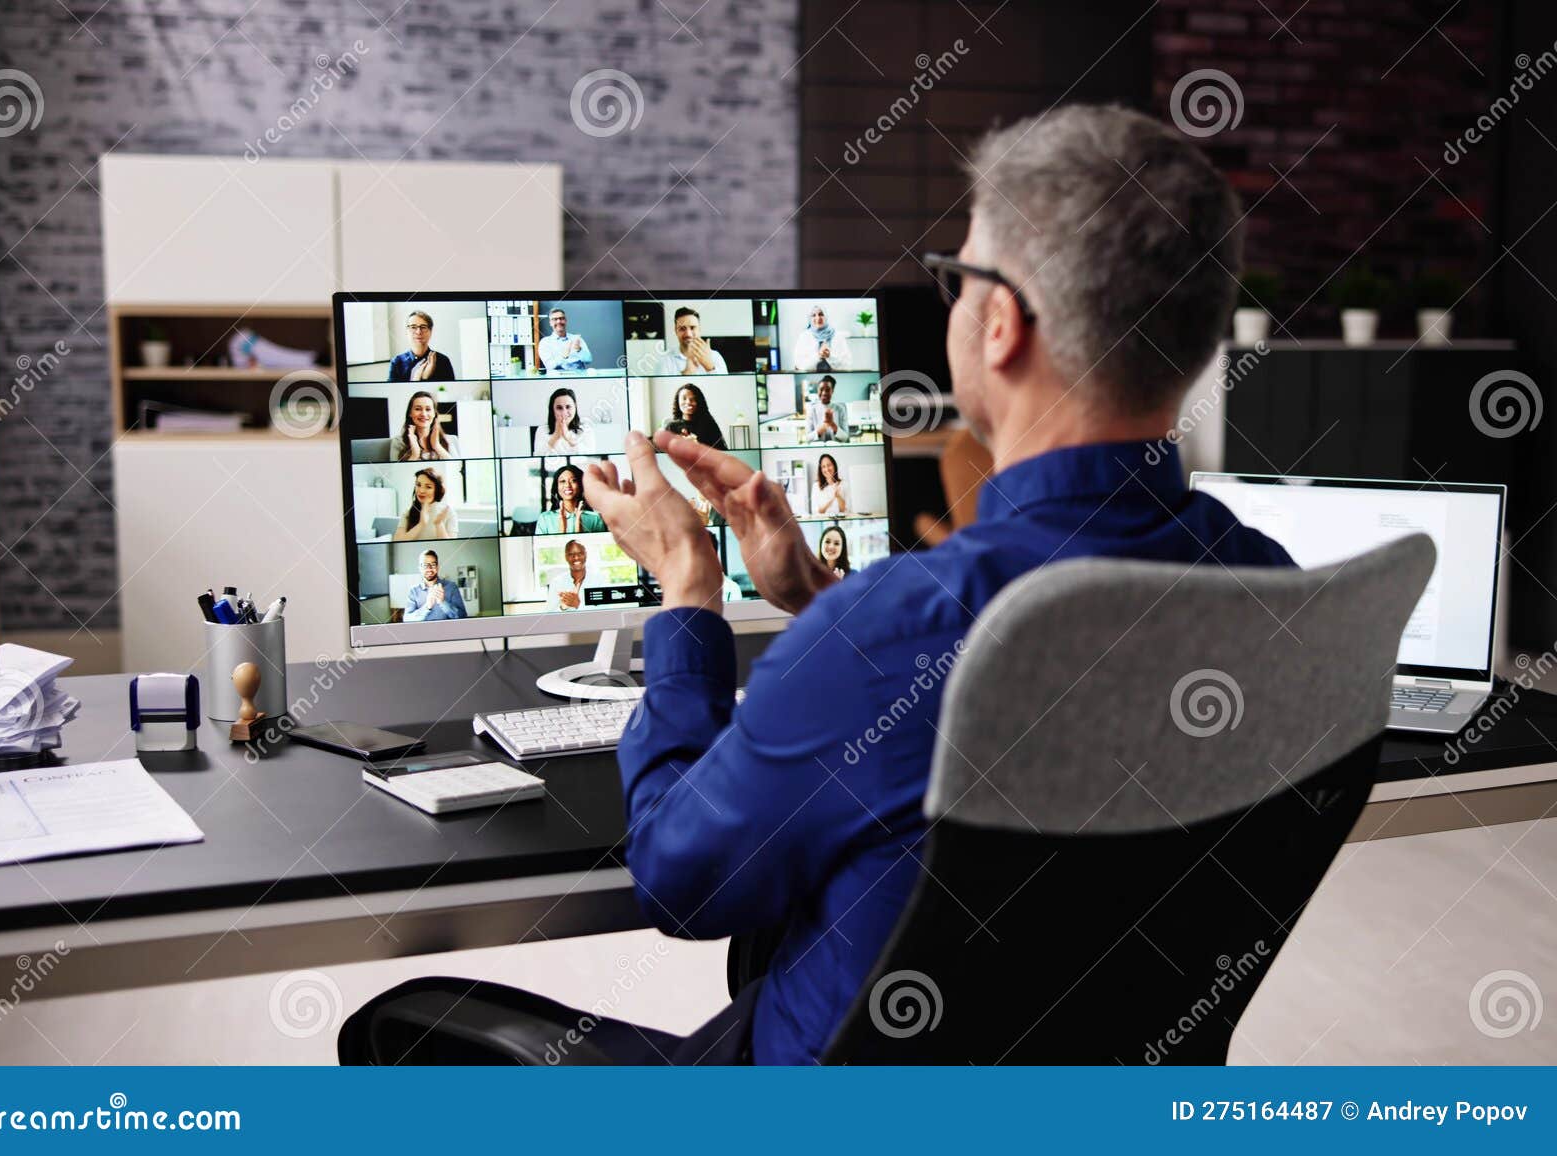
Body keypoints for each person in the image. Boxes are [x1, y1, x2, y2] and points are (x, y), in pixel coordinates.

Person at [350, 105, 1295, 1066]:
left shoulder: (901, 631)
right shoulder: (1272, 596)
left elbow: (683, 883)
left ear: (999, 324)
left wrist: (687, 585)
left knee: (397, 1025)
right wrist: (820, 599)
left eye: (959, 277)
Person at [536, 465, 606, 534]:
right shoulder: (545, 518)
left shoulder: (595, 518)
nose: (567, 485)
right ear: (556, 487)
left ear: (581, 486)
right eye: (562, 481)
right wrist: (562, 531)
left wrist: (579, 527)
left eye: (573, 480)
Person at [391, 468, 458, 541]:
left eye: (428, 487)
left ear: (437, 490)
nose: (421, 490)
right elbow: (397, 541)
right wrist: (421, 524)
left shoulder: (448, 512)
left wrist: (439, 524)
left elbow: (450, 546)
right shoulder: (408, 511)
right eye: (418, 485)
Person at [388, 311, 456, 382]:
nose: (418, 332)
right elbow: (393, 392)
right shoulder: (397, 362)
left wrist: (426, 378)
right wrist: (419, 378)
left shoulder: (443, 361)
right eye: (413, 327)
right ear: (407, 331)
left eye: (423, 327)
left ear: (430, 331)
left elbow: (448, 390)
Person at [657, 307, 728, 375]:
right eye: (682, 328)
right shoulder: (664, 360)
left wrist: (710, 367)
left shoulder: (715, 356)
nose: (688, 334)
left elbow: (725, 386)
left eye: (692, 327)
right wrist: (686, 375)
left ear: (699, 330)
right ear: (676, 331)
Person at [389, 390, 458, 460]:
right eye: (418, 409)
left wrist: (437, 446)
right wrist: (415, 454)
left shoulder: (449, 440)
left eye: (428, 409)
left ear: (434, 414)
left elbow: (457, 468)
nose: (423, 414)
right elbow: (396, 470)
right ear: (410, 413)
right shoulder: (398, 442)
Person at [402, 550, 467, 621]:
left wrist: (443, 602)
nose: (429, 569)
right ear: (420, 568)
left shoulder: (451, 586)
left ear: (437, 567)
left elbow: (463, 616)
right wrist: (427, 607)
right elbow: (407, 619)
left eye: (433, 564)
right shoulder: (413, 591)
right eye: (425, 565)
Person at [660, 382, 727, 450]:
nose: (688, 402)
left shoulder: (709, 425)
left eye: (693, 399)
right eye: (684, 398)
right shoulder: (671, 427)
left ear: (699, 402)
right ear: (677, 401)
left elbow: (720, 451)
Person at [791, 304, 853, 372]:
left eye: (821, 314)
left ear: (826, 316)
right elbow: (800, 365)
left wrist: (830, 356)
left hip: (836, 377)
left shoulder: (837, 336)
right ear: (809, 318)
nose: (818, 318)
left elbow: (847, 365)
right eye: (813, 315)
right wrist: (818, 356)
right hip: (810, 379)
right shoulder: (804, 337)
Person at [538, 387, 595, 455]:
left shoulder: (586, 429)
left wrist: (569, 438)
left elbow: (591, 457)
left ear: (575, 407)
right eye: (559, 408)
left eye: (568, 407)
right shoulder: (542, 430)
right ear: (552, 410)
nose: (564, 412)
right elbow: (536, 459)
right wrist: (555, 437)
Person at [538, 308, 593, 373]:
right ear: (550, 323)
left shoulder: (576, 339)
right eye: (555, 319)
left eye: (561, 318)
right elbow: (549, 366)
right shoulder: (545, 342)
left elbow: (589, 360)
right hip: (558, 380)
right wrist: (563, 356)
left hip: (579, 378)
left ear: (566, 320)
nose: (559, 321)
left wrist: (579, 350)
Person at [545, 539, 592, 611]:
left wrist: (578, 605)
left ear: (586, 554)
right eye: (571, 554)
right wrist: (563, 607)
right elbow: (548, 614)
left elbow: (605, 612)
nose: (576, 557)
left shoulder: (600, 579)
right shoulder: (556, 582)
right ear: (566, 557)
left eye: (580, 553)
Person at [805, 375, 850, 442]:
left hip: (837, 448)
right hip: (818, 449)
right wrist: (824, 426)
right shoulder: (812, 409)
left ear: (832, 391)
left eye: (828, 390)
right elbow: (808, 438)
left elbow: (845, 438)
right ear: (818, 390)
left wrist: (832, 424)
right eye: (821, 389)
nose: (824, 393)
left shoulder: (840, 409)